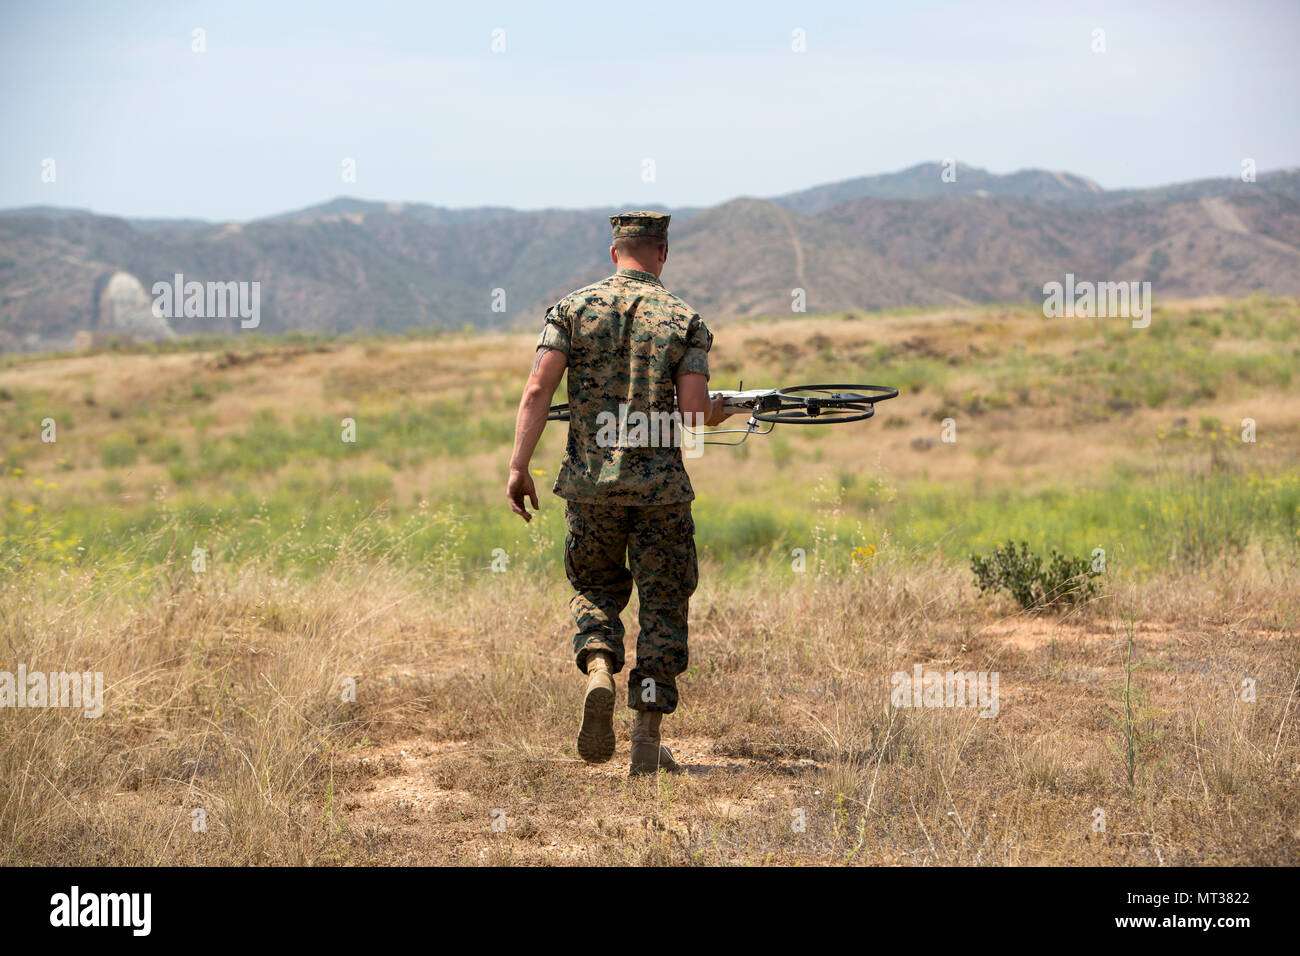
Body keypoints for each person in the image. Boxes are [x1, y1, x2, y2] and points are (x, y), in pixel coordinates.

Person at [506, 210, 730, 776]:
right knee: (662, 605)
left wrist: (519, 465)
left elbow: (537, 390)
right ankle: (646, 742)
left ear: (614, 253)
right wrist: (721, 409)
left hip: (590, 489)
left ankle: (600, 667)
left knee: (597, 588)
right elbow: (693, 416)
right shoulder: (684, 320)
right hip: (660, 496)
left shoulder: (570, 310)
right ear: (663, 252)